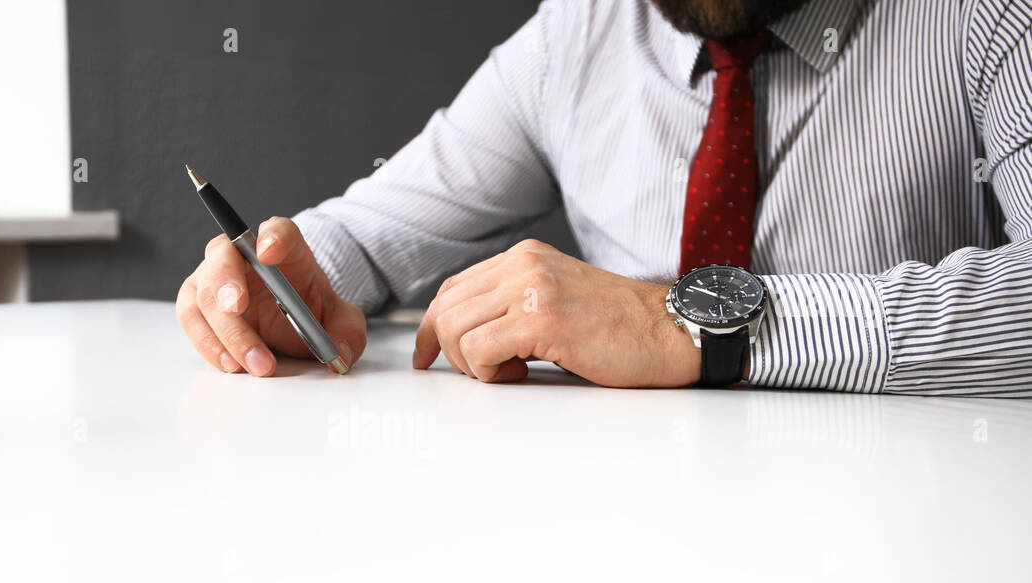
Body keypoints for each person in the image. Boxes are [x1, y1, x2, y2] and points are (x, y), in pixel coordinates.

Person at [176, 0, 1032, 396]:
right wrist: (281, 279)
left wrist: (679, 324)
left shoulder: (984, 18)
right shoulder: (574, 37)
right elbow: (364, 236)